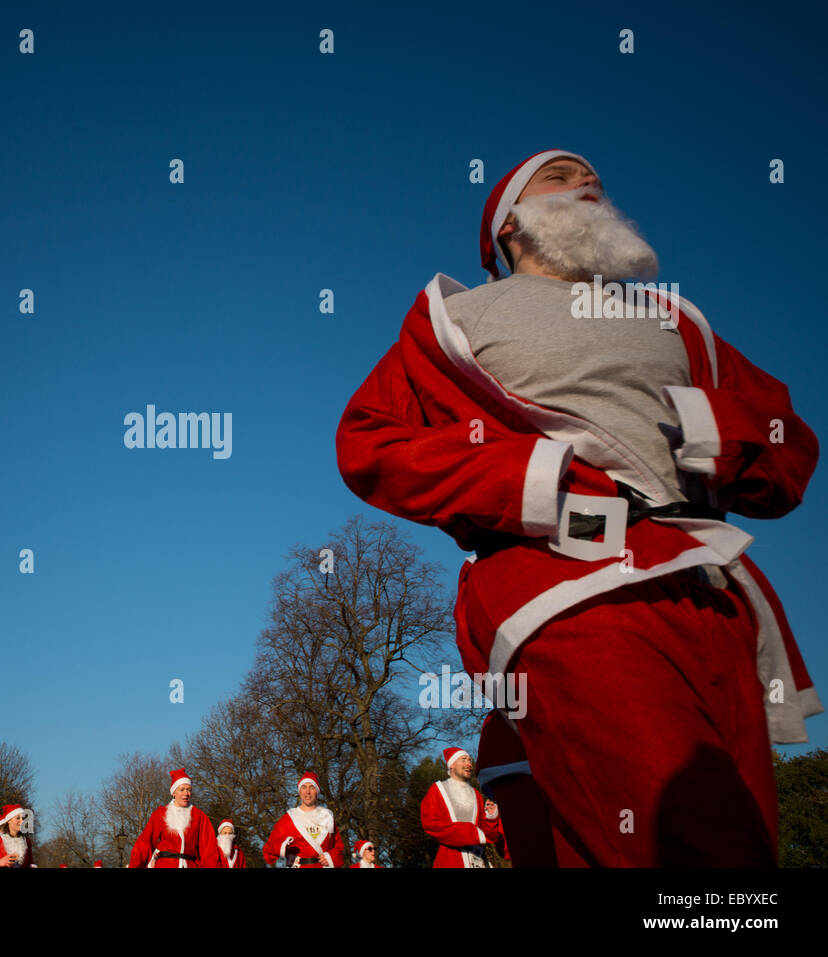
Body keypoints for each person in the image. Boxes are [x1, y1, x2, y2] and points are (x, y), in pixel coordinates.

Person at [336, 148, 820, 866]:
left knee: (718, 843)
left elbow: (790, 444)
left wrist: (714, 430)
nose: (588, 183)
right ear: (509, 226)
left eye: (592, 176)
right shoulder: (456, 317)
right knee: (697, 841)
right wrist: (531, 478)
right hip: (568, 584)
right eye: (559, 177)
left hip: (713, 595)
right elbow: (368, 442)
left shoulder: (676, 320)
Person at [421, 748, 502, 868]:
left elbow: (488, 836)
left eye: (470, 760)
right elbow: (430, 824)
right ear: (452, 765)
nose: (469, 764)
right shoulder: (437, 789)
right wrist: (471, 832)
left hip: (479, 859)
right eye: (464, 760)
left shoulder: (477, 795)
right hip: (451, 859)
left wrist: (491, 816)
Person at [128, 768, 224, 868]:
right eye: (182, 789)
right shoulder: (161, 814)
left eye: (189, 790)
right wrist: (135, 865)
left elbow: (209, 850)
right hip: (166, 864)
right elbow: (145, 843)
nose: (186, 793)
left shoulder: (199, 816)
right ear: (174, 792)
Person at [263, 773, 345, 868]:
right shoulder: (289, 818)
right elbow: (269, 849)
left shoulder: (327, 816)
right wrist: (282, 847)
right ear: (299, 791)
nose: (307, 792)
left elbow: (338, 846)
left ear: (317, 791)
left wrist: (331, 857)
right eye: (304, 787)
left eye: (312, 787)